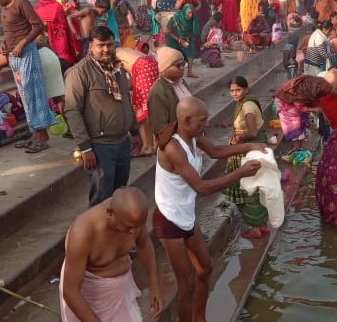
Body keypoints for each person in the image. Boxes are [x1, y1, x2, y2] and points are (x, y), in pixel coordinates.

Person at [155, 96, 265, 322]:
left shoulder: (194, 137)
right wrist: (239, 173)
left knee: (204, 269)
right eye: (202, 120)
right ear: (186, 120)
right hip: (169, 220)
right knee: (185, 283)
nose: (208, 124)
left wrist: (250, 146)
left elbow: (215, 151)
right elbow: (202, 187)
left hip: (186, 216)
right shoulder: (173, 148)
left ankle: (200, 317)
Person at [60, 187, 163, 321]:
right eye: (128, 227)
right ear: (110, 213)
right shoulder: (82, 233)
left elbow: (144, 244)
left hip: (120, 293)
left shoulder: (133, 220)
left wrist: (154, 283)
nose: (133, 232)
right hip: (89, 298)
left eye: (136, 227)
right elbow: (71, 292)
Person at [64, 26, 140, 207]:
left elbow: (126, 100)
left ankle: (115, 232)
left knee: (120, 194)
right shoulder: (79, 72)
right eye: (101, 45)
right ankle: (98, 234)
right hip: (100, 146)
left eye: (110, 44)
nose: (106, 49)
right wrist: (85, 148)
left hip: (122, 142)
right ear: (91, 46)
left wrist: (134, 130)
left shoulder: (117, 68)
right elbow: (72, 110)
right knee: (101, 199)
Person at [0, 0, 56, 153]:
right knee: (25, 96)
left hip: (26, 54)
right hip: (14, 55)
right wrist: (4, 42)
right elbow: (12, 29)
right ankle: (35, 134)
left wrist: (22, 43)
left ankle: (43, 136)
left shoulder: (21, 3)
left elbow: (38, 25)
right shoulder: (5, 8)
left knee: (33, 94)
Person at [0, 39, 65, 117]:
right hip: (48, 56)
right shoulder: (10, 42)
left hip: (38, 61)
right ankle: (69, 128)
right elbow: (40, 42)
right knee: (57, 97)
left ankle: (39, 134)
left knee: (30, 102)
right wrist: (54, 54)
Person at [225, 76, 270, 239]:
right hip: (253, 150)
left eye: (238, 90)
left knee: (249, 190)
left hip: (249, 152)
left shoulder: (248, 107)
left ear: (246, 89)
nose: (235, 94)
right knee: (256, 188)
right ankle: (263, 226)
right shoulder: (245, 103)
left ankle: (255, 229)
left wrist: (238, 138)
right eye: (232, 91)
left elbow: (252, 132)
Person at [115, 46, 159, 157]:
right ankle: (154, 144)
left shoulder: (112, 54)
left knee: (140, 110)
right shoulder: (124, 50)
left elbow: (121, 81)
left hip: (143, 68)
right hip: (153, 64)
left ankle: (146, 147)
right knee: (151, 107)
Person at [274, 75, 332, 149]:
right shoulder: (301, 91)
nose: (323, 95)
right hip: (286, 104)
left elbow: (316, 100)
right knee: (296, 129)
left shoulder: (313, 86)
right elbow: (299, 109)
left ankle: (299, 146)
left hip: (296, 103)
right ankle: (296, 148)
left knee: (301, 126)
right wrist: (314, 109)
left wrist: (324, 114)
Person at [147, 47, 191, 139]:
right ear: (165, 68)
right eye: (178, 65)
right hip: (176, 143)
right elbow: (160, 128)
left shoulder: (182, 83)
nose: (182, 68)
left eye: (183, 64)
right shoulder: (158, 91)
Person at [35, 0, 77, 67]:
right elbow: (63, 26)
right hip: (60, 42)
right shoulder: (58, 6)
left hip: (45, 42)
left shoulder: (38, 8)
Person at [166, 3, 199, 78]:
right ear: (184, 11)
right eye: (189, 13)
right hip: (174, 38)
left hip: (187, 38)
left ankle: (189, 72)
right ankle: (171, 73)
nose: (190, 15)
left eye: (192, 13)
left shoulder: (193, 19)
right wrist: (180, 40)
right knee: (173, 57)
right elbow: (168, 31)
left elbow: (196, 32)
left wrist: (186, 40)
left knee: (190, 53)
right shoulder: (176, 18)